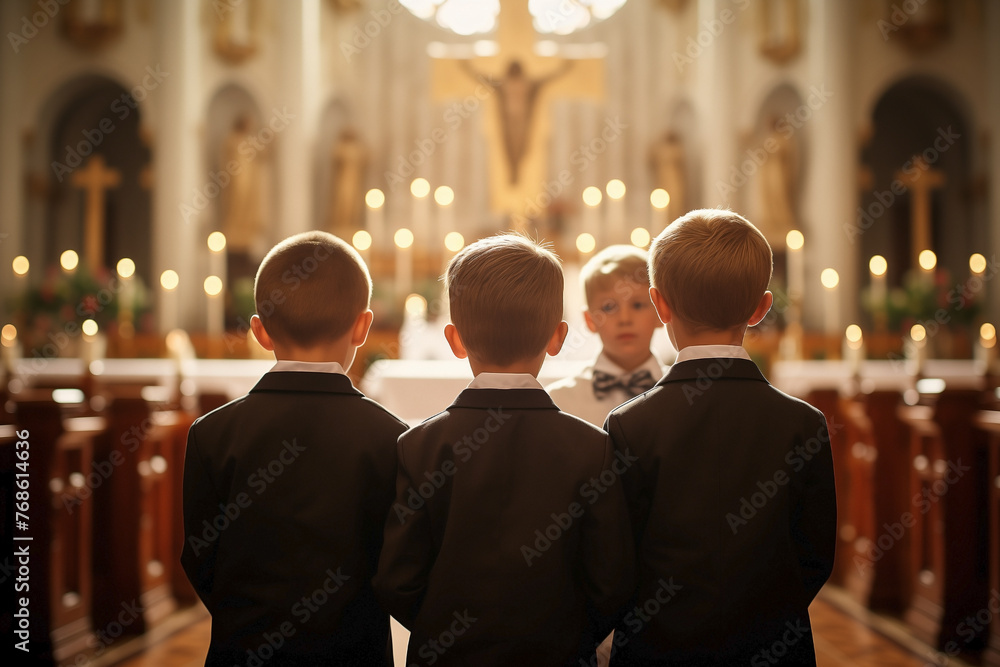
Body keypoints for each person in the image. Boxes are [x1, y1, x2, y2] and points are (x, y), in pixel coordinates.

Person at [374, 234, 634, 665]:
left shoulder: (418, 445)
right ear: (558, 336)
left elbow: (398, 579)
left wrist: (446, 631)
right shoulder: (593, 448)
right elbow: (613, 580)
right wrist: (566, 637)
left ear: (454, 340)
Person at [605, 209, 836, 665]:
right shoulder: (804, 423)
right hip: (773, 644)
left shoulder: (630, 425)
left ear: (658, 304)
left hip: (658, 648)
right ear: (761, 308)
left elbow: (615, 559)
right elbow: (816, 553)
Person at [181, 231, 406, 667]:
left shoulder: (212, 432)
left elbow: (199, 558)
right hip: (353, 653)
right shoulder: (392, 437)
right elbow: (394, 567)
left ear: (259, 331)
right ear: (363, 327)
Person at [547, 245, 667, 428]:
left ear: (660, 311)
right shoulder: (558, 401)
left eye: (637, 305)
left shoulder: (682, 391)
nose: (624, 319)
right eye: (609, 308)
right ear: (590, 320)